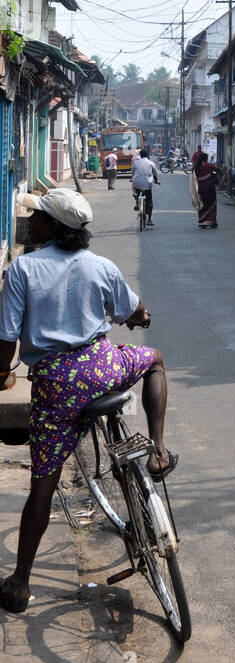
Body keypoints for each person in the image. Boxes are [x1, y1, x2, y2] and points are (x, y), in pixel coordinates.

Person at [0, 188, 176, 615]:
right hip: (102, 369)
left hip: (57, 386)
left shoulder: (23, 269)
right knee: (154, 360)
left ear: (53, 227)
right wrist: (142, 319)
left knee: (44, 482)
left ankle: (20, 583)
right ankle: (156, 450)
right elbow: (135, 312)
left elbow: (5, 342)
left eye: (38, 217)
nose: (32, 222)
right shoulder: (100, 266)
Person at [131, 146, 159, 226]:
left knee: (135, 188)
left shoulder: (136, 162)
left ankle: (137, 200)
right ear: (147, 155)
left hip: (137, 183)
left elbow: (132, 171)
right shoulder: (151, 163)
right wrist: (156, 180)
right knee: (149, 200)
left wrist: (133, 177)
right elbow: (155, 174)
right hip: (147, 184)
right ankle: (149, 219)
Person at [191, 152, 218, 228]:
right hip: (210, 189)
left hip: (200, 190)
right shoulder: (209, 165)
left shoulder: (196, 167)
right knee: (212, 205)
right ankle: (211, 222)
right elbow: (217, 170)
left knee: (202, 205)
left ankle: (202, 221)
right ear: (206, 159)